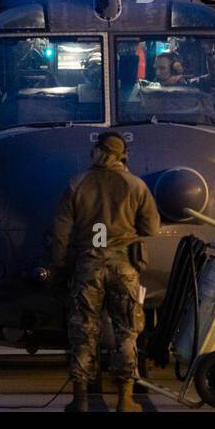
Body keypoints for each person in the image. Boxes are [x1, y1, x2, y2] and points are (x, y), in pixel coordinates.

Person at [49, 132, 160, 412]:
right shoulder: (136, 186)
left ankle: (81, 399)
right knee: (127, 332)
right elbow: (150, 228)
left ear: (96, 152)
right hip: (123, 267)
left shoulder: (77, 184)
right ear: (123, 155)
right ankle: (125, 398)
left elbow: (60, 232)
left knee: (84, 331)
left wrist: (59, 265)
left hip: (88, 265)